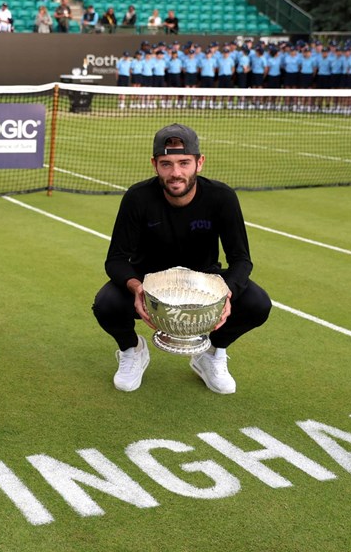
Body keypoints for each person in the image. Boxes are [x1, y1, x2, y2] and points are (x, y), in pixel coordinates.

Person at [93, 124, 271, 394]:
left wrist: (226, 295)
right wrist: (137, 288)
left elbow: (241, 260)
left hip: (204, 283)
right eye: (166, 164)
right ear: (155, 164)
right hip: (148, 282)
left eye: (184, 163)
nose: (176, 173)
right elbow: (115, 260)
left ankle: (211, 353)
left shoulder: (222, 197)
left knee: (258, 303)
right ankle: (132, 350)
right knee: (106, 304)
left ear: (199, 163)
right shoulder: (137, 198)